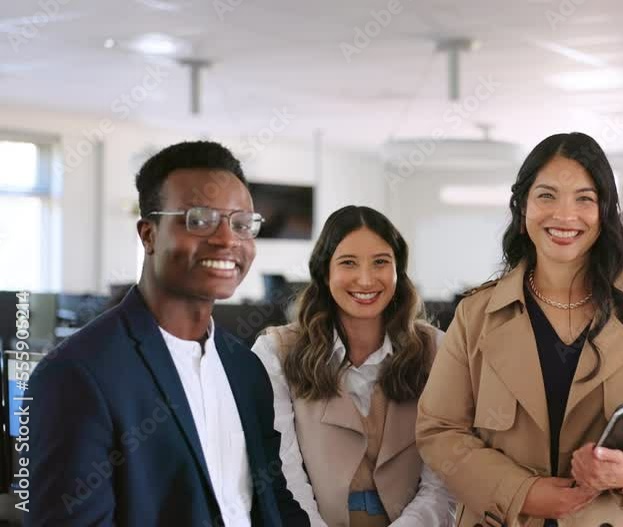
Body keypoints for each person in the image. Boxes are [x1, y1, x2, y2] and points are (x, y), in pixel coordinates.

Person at [416, 132, 623, 527]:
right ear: (522, 208)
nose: (564, 215)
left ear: (604, 213)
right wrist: (520, 492)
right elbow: (440, 429)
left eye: (584, 199)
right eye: (546, 196)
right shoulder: (476, 314)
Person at [24, 141, 308, 526]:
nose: (227, 240)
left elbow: (271, 499)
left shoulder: (245, 369)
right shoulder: (78, 374)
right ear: (149, 235)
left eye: (241, 224)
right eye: (199, 220)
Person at [251, 205, 454, 526]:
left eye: (380, 263)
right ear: (324, 271)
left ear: (397, 271)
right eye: (348, 263)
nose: (365, 278)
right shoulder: (275, 351)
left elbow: (441, 480)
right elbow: (282, 471)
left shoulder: (438, 349)